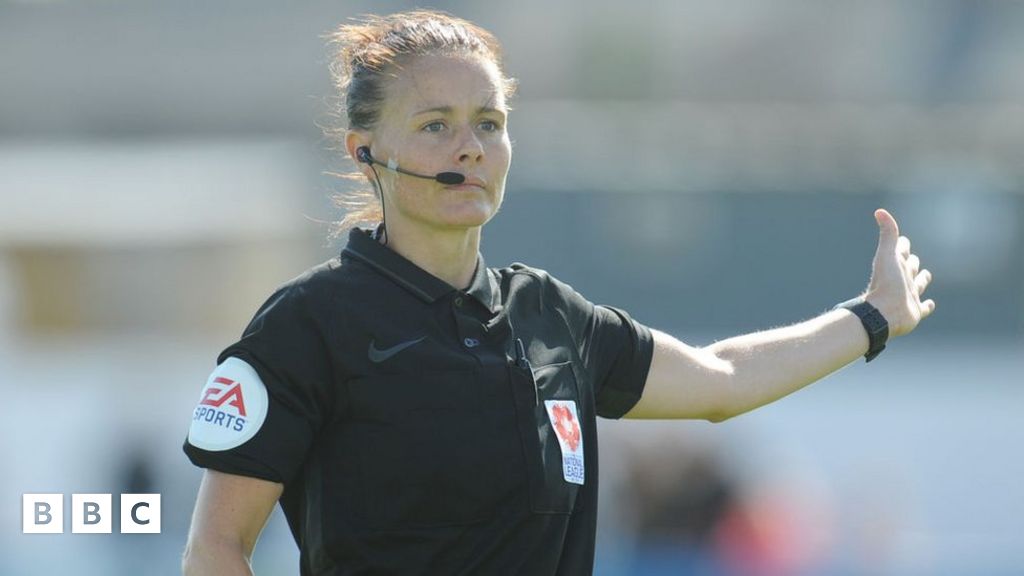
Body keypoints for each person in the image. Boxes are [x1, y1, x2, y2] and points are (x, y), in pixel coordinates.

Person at [181, 10, 935, 576]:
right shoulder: (308, 326)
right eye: (436, 125)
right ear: (367, 151)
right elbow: (217, 546)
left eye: (489, 123)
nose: (470, 147)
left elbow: (721, 380)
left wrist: (870, 318)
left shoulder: (549, 316)